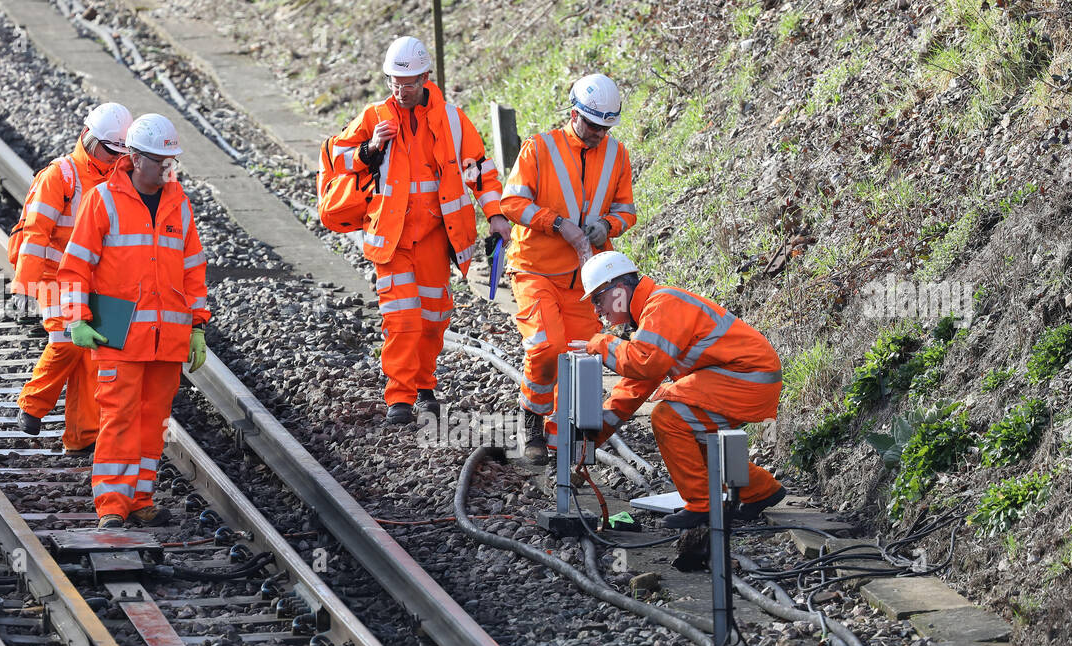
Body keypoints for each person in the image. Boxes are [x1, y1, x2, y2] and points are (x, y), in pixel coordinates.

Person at [326, 35, 510, 424]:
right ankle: (400, 398)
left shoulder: (453, 121)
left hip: (435, 239)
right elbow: (335, 156)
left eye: (408, 82)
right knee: (402, 318)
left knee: (432, 318)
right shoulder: (375, 117)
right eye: (394, 81)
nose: (400, 89)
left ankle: (425, 387)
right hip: (391, 239)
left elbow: (482, 172)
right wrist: (368, 150)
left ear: (426, 78)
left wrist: (495, 215)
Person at [56, 113, 209, 529]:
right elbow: (75, 269)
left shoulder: (179, 202)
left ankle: (140, 499)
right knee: (118, 420)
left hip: (168, 337)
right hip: (119, 332)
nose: (168, 168)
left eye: (171, 160)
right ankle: (111, 505)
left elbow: (193, 268)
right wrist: (78, 319)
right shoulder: (102, 200)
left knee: (152, 422)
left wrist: (197, 325)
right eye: (161, 160)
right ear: (136, 158)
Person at [579, 251, 786, 529]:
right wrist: (593, 434)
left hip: (745, 377)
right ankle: (761, 491)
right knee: (699, 435)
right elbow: (637, 384)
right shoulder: (654, 311)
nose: (597, 310)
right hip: (747, 377)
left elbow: (644, 363)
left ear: (618, 289)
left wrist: (601, 345)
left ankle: (703, 506)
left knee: (669, 417)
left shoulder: (662, 305)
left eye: (597, 299)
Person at [499, 73, 637, 463]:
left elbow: (627, 210)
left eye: (605, 127)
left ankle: (561, 442)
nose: (598, 134)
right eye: (592, 125)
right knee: (546, 347)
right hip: (535, 269)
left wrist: (607, 226)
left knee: (581, 360)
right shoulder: (539, 149)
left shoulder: (617, 154)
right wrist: (558, 224)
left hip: (586, 279)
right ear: (574, 113)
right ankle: (531, 419)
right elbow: (512, 203)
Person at [13, 102, 133, 455]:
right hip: (54, 276)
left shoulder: (120, 177)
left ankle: (81, 439)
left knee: (92, 358)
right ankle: (33, 403)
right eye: (108, 151)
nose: (112, 159)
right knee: (66, 341)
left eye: (118, 154)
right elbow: (36, 232)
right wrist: (25, 285)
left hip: (96, 281)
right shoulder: (60, 175)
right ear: (88, 137)